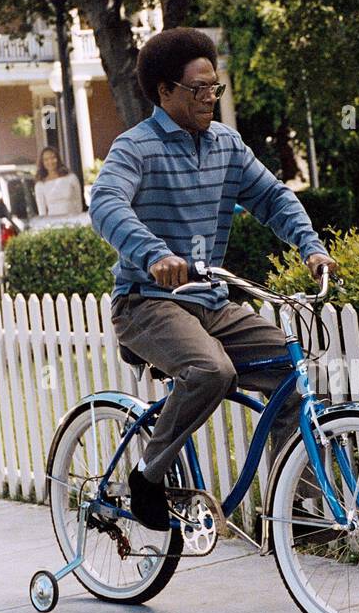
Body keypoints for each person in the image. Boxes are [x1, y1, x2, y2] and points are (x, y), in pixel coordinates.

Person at [90, 27, 337, 532]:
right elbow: (106, 204)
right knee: (211, 371)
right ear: (164, 92)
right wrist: (153, 252)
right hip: (147, 302)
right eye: (197, 89)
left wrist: (311, 247)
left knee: (296, 374)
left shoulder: (226, 144)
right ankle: (147, 477)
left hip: (210, 301)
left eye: (214, 88)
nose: (209, 98)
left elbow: (272, 198)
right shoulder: (134, 148)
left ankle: (296, 505)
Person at [33, 146, 83, 216]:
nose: (50, 161)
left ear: (58, 159)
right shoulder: (40, 185)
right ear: (42, 163)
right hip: (53, 223)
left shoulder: (71, 178)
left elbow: (78, 203)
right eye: (46, 159)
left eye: (53, 158)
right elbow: (42, 211)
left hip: (73, 220)